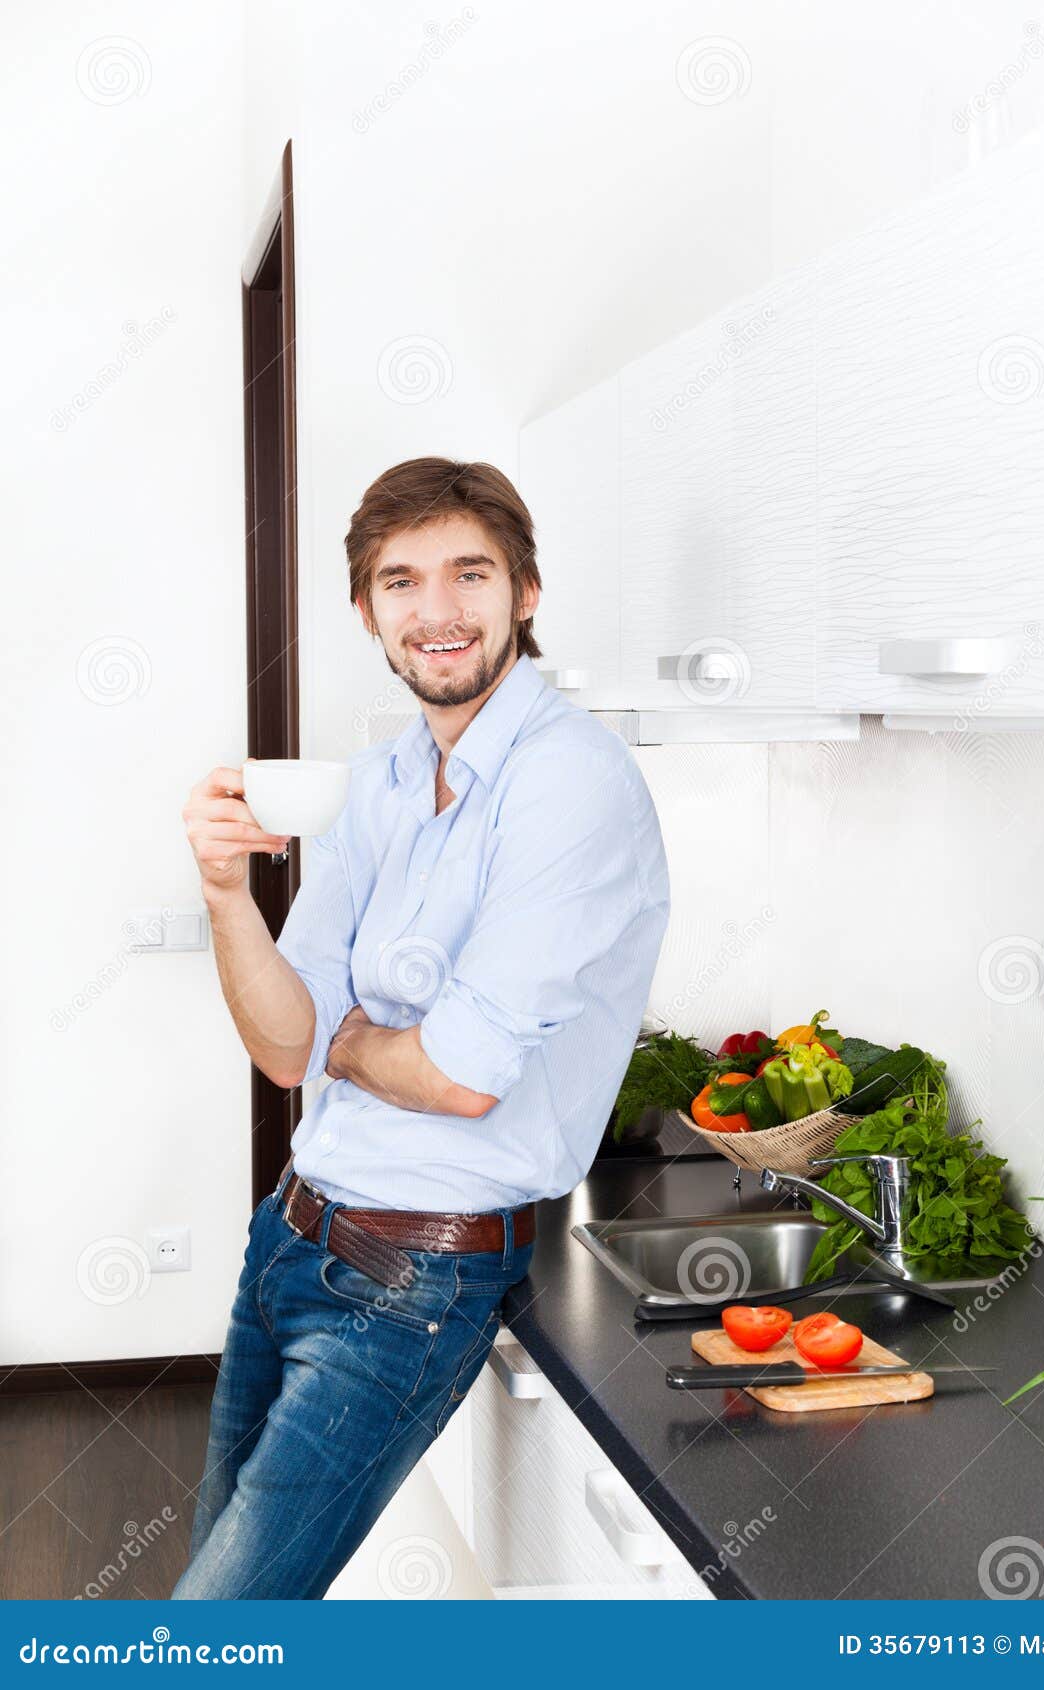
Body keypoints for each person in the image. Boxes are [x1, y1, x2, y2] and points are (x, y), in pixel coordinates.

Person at [172, 457, 670, 1598]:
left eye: (469, 573)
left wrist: (351, 1041)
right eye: (401, 581)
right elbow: (285, 1047)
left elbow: (458, 1077)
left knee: (218, 1622)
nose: (435, 610)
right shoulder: (381, 781)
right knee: (224, 1602)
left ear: (524, 591)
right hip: (290, 1235)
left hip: (411, 1280)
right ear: (367, 610)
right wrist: (225, 895)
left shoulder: (568, 781)